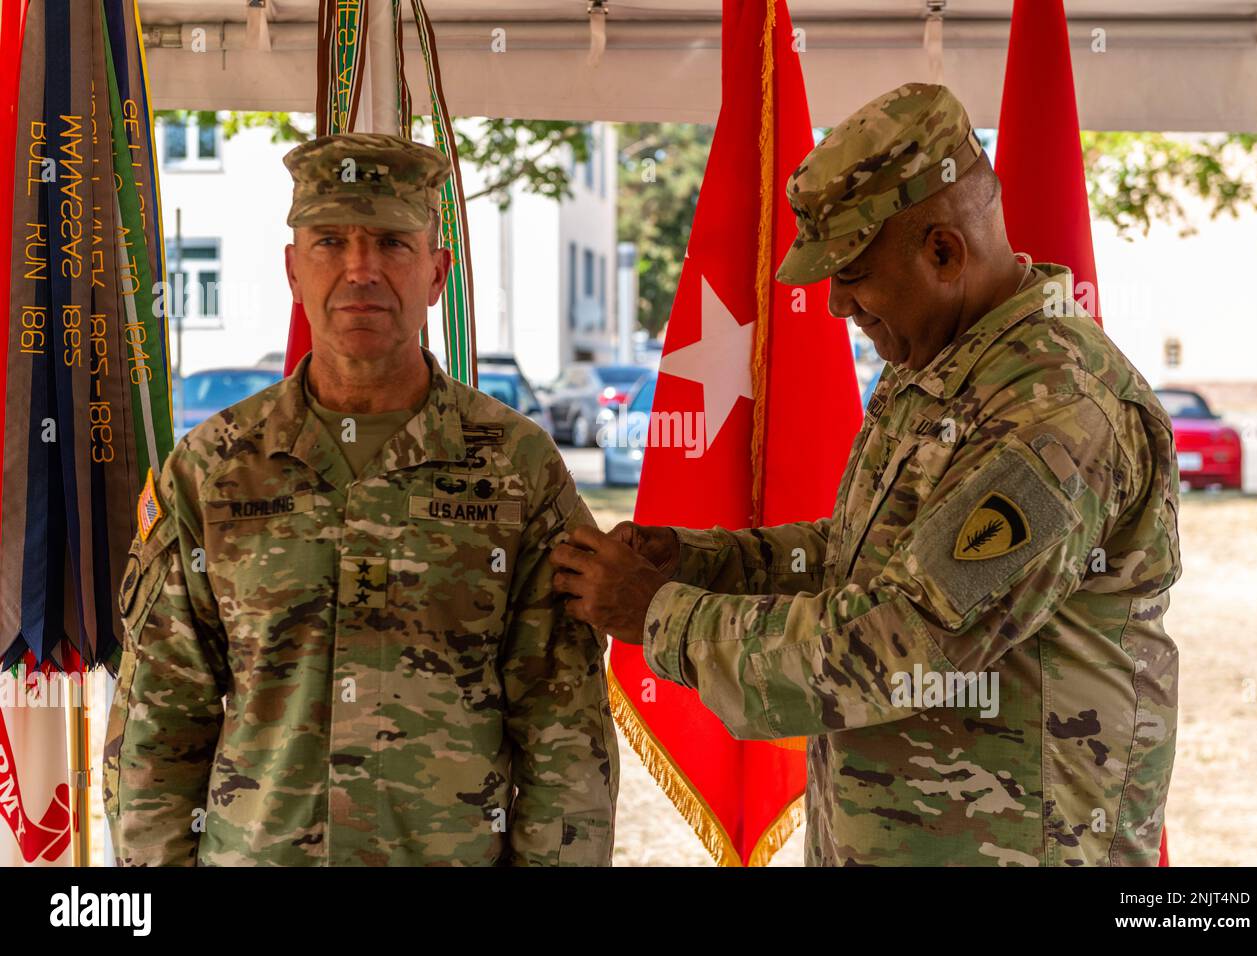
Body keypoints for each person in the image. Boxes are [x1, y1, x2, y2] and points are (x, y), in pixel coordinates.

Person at [553, 83, 1179, 866]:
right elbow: (860, 557)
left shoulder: (1056, 410)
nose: (837, 302)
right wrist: (700, 561)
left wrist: (661, 615)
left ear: (944, 251)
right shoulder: (940, 361)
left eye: (851, 271)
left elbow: (902, 643)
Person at [104, 132, 618, 866]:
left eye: (391, 243)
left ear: (437, 273)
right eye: (329, 241)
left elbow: (562, 729)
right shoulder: (213, 470)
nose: (360, 269)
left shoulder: (515, 468)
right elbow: (159, 724)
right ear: (291, 269)